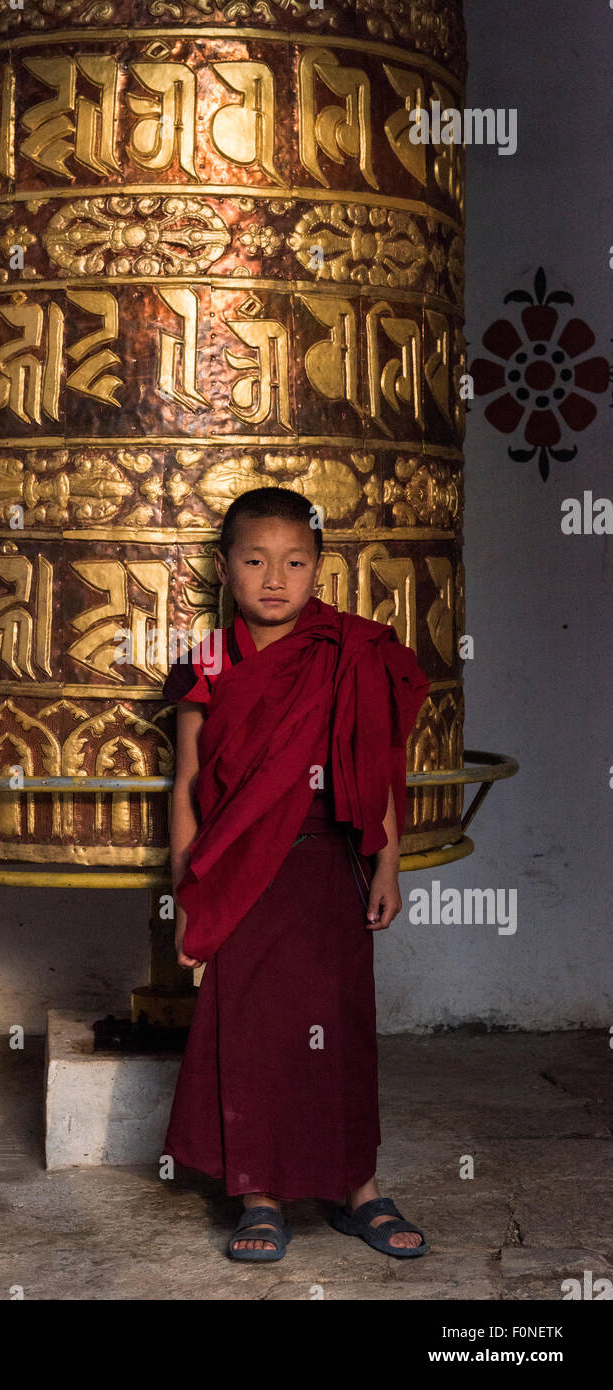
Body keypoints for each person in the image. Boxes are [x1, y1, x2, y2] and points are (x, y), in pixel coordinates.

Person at [161, 486, 431, 1261]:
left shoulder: (353, 650)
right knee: (251, 1031)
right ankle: (259, 1194)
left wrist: (388, 863)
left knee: (339, 1026)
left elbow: (380, 761)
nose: (274, 577)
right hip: (241, 868)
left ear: (319, 569)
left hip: (328, 864)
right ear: (223, 568)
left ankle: (358, 1190)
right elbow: (185, 784)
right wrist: (188, 895)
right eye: (254, 560)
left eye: (295, 562)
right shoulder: (210, 662)